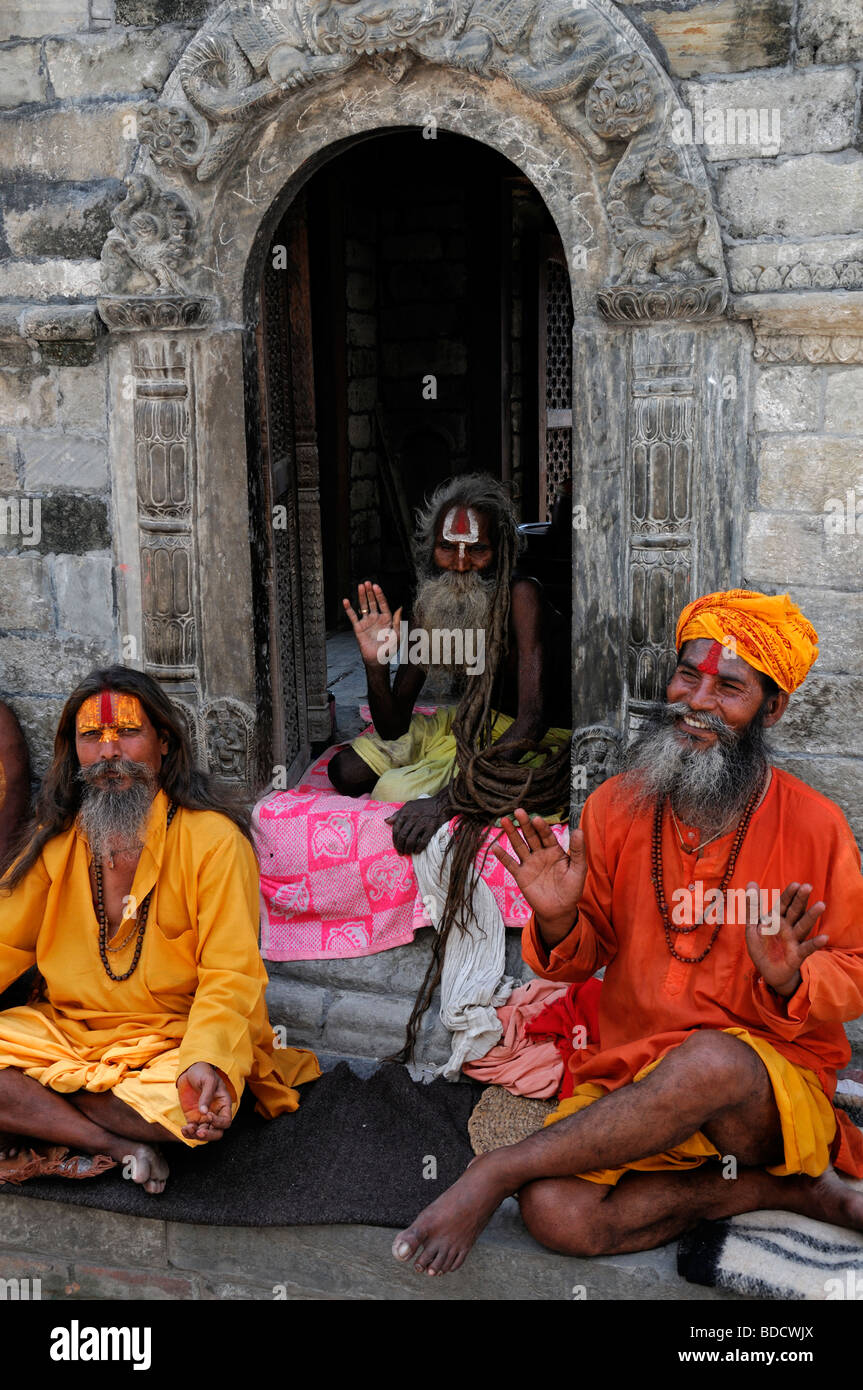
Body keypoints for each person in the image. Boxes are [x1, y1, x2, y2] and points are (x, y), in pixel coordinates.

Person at [391, 589, 863, 1275]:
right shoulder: (617, 805)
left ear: (772, 707)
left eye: (728, 687)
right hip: (636, 1079)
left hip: (757, 1096)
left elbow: (852, 974)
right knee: (556, 1212)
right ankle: (774, 1188)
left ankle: (493, 1172)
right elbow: (583, 958)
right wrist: (555, 917)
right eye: (686, 674)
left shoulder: (815, 826)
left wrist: (792, 977)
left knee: (710, 1060)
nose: (695, 700)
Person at [0, 668, 318, 1193]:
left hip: (174, 1042)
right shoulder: (54, 842)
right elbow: (5, 942)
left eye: (127, 732)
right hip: (67, 1035)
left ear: (164, 742)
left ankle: (40, 1114)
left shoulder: (213, 841)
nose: (108, 754)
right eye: (91, 738)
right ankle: (115, 1145)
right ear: (72, 752)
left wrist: (206, 1058)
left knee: (192, 1107)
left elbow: (231, 976)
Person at [328, 473, 571, 856]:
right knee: (345, 771)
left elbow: (532, 722)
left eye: (477, 549)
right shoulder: (435, 603)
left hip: (523, 739)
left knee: (390, 791)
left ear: (501, 550)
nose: (460, 564)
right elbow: (392, 725)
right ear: (431, 548)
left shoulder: (523, 597)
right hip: (471, 724)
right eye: (447, 547)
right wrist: (376, 665)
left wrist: (444, 802)